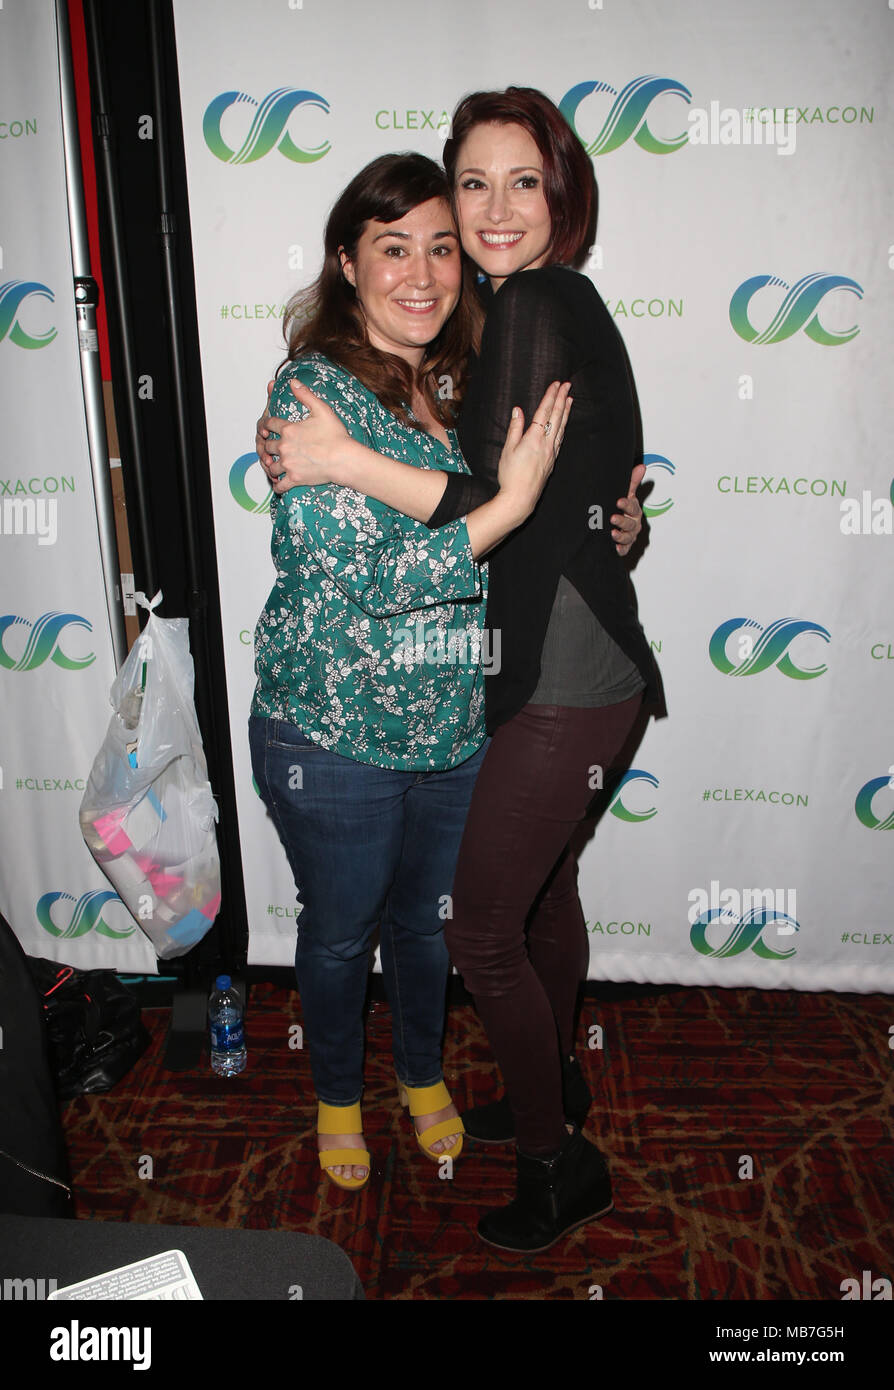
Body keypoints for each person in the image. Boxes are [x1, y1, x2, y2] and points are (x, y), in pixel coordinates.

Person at [256, 89, 657, 1250]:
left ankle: (554, 1158)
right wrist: (584, 515)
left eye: (517, 182)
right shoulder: (444, 349)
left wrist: (571, 514)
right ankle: (546, 1095)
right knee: (525, 903)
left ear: (561, 194)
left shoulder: (525, 303)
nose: (483, 216)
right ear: (350, 262)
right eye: (465, 187)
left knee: (478, 927)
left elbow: (503, 505)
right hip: (378, 711)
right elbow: (503, 513)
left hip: (547, 677)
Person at [248, 151, 572, 1192]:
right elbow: (372, 575)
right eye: (394, 249)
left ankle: (423, 1073)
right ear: (348, 263)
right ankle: (337, 1093)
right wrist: (505, 508)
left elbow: (511, 528)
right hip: (331, 734)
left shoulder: (463, 376)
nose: (423, 272)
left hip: (455, 723)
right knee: (342, 937)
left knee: (428, 926)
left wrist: (599, 514)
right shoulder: (309, 392)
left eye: (442, 246)